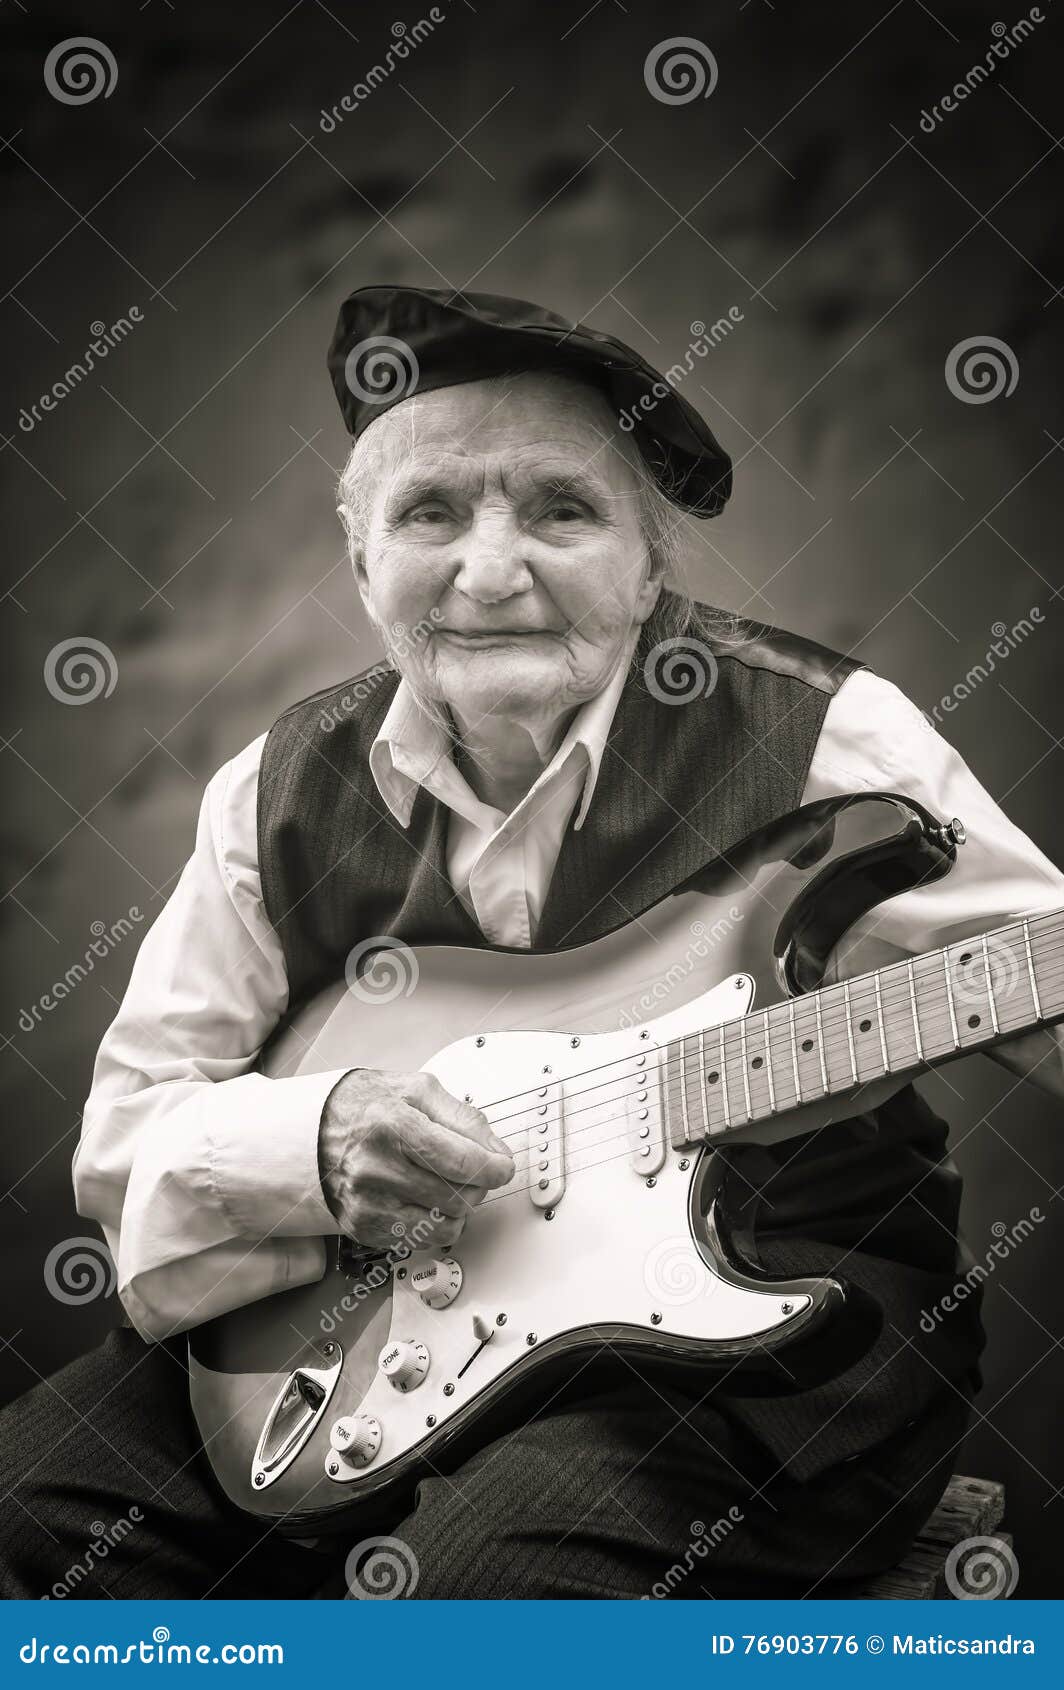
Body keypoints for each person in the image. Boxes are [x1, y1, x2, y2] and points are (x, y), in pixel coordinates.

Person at [1, 287, 1061, 1601]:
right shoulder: (271, 794)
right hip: (350, 1330)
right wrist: (314, 1143)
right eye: (430, 511)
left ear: (650, 559)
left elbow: (1042, 979)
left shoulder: (831, 737)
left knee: (473, 1613)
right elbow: (127, 1137)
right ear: (360, 558)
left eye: (562, 509)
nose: (491, 571)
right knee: (24, 1518)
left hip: (763, 1353)